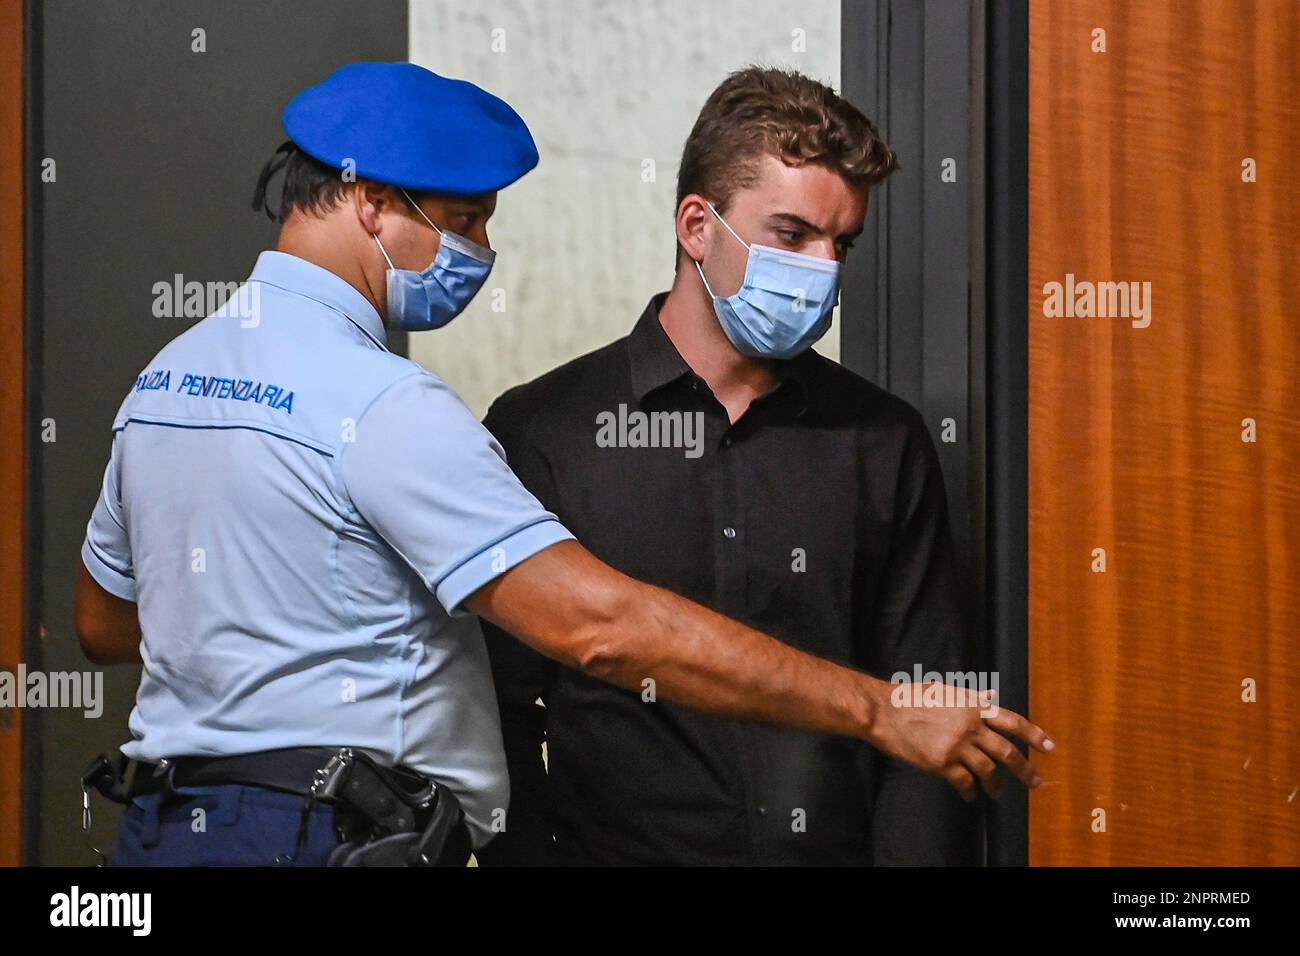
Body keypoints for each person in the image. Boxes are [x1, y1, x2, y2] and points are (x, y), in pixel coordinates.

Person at [75, 61, 1053, 868]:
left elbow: (104, 620)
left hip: (170, 829)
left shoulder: (169, 378)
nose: (481, 250)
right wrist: (879, 710)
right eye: (462, 221)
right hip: (329, 832)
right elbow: (600, 629)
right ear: (371, 200)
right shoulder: (391, 405)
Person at [476, 67, 999, 866]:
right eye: (793, 235)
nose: (825, 269)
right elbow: (499, 710)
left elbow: (925, 711)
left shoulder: (883, 441)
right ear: (697, 224)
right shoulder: (545, 428)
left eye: (843, 243)